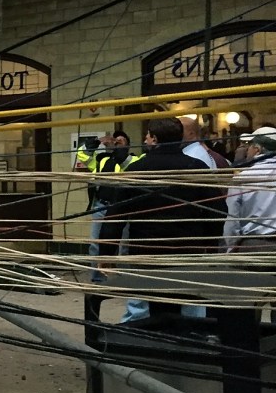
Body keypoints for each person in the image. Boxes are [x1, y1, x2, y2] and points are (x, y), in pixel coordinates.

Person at [99, 118, 226, 322]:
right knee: (186, 303)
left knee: (152, 306)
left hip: (146, 254)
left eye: (148, 136)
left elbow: (116, 216)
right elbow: (217, 211)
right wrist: (209, 246)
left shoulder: (136, 170)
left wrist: (106, 254)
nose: (145, 140)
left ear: (155, 139)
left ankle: (156, 342)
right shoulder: (196, 168)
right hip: (187, 254)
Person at [76, 130, 141, 282]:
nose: (117, 142)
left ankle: (127, 280)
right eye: (115, 140)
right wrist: (96, 142)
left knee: (124, 247)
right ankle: (98, 279)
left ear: (128, 145)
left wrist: (117, 149)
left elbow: (123, 162)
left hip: (122, 208)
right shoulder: (103, 160)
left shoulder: (135, 160)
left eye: (121, 141)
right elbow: (83, 155)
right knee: (95, 244)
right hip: (101, 206)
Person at [224, 127, 276, 253]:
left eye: (250, 146)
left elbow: (233, 220)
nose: (247, 150)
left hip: (253, 246)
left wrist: (230, 249)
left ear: (257, 150)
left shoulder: (243, 178)